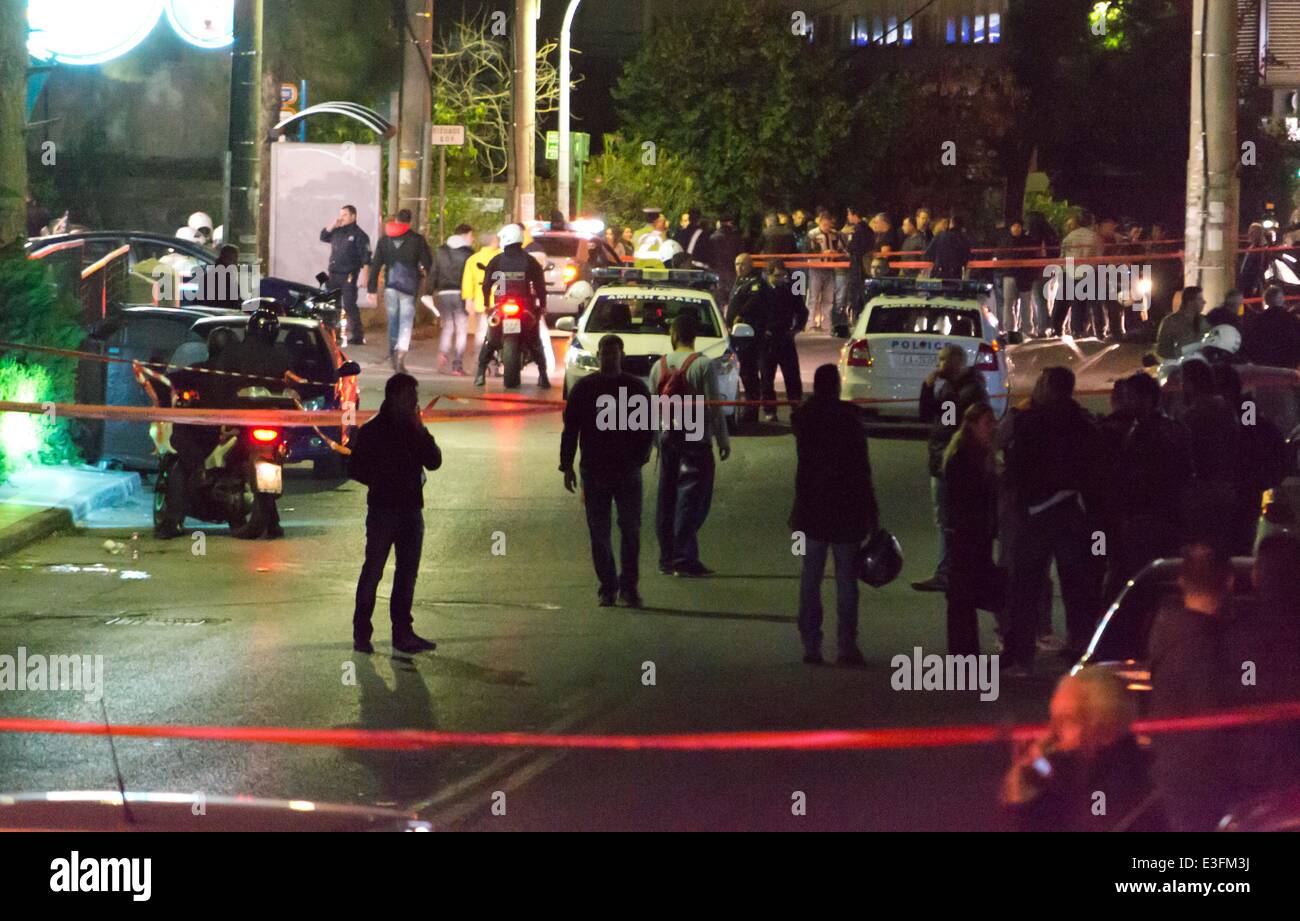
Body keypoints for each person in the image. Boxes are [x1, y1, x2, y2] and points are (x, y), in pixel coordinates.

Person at [1002, 367, 1103, 672]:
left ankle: (1020, 651)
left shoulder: (1029, 422)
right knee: (1075, 583)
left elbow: (1014, 463)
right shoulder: (1084, 423)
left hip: (1036, 511)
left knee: (1026, 583)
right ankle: (1080, 644)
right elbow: (1095, 468)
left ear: (1047, 387)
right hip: (1072, 509)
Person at [347, 373, 443, 655]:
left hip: (412, 510)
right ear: (394, 398)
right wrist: (381, 479)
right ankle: (362, 633)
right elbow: (354, 468)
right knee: (373, 571)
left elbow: (434, 461)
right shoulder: (372, 431)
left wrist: (421, 429)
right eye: (409, 397)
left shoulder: (414, 429)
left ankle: (403, 632)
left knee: (407, 573)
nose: (414, 402)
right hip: (383, 511)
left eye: (415, 397)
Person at [791, 365, 879, 667]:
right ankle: (846, 645)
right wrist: (871, 512)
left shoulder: (804, 417)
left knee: (810, 577)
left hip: (812, 507)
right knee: (846, 579)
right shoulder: (850, 419)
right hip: (846, 507)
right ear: (838, 386)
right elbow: (862, 468)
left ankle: (811, 644)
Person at [1002, 670, 1163, 831]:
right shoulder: (1081, 771)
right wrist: (1029, 775)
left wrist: (1026, 800)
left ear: (1104, 728)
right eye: (1053, 719)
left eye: (1067, 720)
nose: (1052, 733)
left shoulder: (1116, 790)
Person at [560, 335, 654, 607]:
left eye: (614, 353)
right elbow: (571, 430)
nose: (609, 357)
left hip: (626, 471)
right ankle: (608, 587)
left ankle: (628, 587)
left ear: (621, 355)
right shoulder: (584, 389)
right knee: (599, 533)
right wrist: (566, 465)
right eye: (605, 353)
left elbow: (647, 428)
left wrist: (641, 456)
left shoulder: (635, 388)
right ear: (598, 355)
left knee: (631, 531)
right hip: (594, 470)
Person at [1149, 543, 1234, 831]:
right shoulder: (1207, 645)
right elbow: (1212, 722)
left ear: (1182, 581)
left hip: (1172, 773)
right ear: (1230, 581)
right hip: (1203, 783)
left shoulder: (1165, 632)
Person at [650, 313, 731, 577]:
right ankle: (683, 557)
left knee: (667, 497)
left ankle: (666, 557)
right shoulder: (703, 365)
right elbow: (714, 407)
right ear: (694, 336)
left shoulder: (658, 367)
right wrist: (722, 439)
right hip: (696, 439)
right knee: (693, 499)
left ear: (673, 335)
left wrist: (655, 441)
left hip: (668, 439)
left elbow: (652, 410)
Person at [1103, 373, 1193, 602]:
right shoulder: (1172, 428)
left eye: (1130, 397)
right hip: (1168, 517)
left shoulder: (1146, 433)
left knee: (1136, 583)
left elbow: (1138, 479)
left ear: (1145, 399)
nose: (1126, 403)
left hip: (1145, 518)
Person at [913, 345, 988, 593]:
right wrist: (927, 388)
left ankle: (949, 573)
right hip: (945, 459)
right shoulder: (951, 388)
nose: (939, 365)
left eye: (943, 360)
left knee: (949, 519)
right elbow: (927, 415)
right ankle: (955, 570)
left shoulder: (963, 390)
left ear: (956, 362)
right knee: (948, 518)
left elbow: (947, 423)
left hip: (951, 461)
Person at [155, 327, 241, 539]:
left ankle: (172, 521)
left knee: (181, 466)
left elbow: (167, 384)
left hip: (205, 436)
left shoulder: (197, 371)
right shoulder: (243, 375)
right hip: (236, 433)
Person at [942, 402, 1000, 656]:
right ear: (974, 425)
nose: (993, 427)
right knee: (963, 593)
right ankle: (963, 651)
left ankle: (966, 649)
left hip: (975, 533)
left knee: (965, 593)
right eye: (988, 422)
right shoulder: (965, 458)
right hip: (967, 534)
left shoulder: (978, 454)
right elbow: (965, 500)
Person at [475, 223, 550, 388]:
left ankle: (480, 373)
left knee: (491, 339)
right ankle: (543, 375)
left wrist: (487, 304)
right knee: (535, 340)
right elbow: (540, 286)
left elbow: (486, 285)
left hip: (500, 307)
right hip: (526, 308)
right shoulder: (530, 261)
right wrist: (542, 306)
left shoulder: (497, 260)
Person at [366, 209, 433, 373]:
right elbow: (429, 264)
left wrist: (371, 289)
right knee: (406, 323)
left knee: (393, 322)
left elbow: (376, 266)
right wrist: (430, 286)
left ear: (396, 220)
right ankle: (400, 356)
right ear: (409, 222)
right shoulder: (417, 240)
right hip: (409, 288)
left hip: (390, 286)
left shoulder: (385, 240)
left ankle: (392, 354)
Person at [754, 260, 808, 422]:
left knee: (792, 376)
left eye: (783, 275)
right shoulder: (761, 290)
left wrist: (796, 329)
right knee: (766, 377)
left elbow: (802, 311)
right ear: (768, 275)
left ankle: (795, 406)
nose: (781, 278)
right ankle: (770, 410)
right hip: (768, 340)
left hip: (784, 337)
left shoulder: (790, 290)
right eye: (777, 275)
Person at [725, 254, 768, 425]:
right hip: (735, 336)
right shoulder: (740, 282)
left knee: (749, 375)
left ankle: (752, 413)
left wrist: (740, 314)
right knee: (742, 374)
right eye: (736, 264)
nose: (739, 267)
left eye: (743, 264)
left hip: (748, 337)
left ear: (751, 265)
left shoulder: (755, 283)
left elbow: (754, 301)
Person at [320, 204, 372, 344]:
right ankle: (332, 334)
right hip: (334, 274)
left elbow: (366, 257)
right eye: (340, 214)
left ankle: (357, 335)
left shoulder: (360, 235)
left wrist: (364, 275)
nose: (341, 217)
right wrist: (333, 225)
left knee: (349, 304)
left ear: (353, 216)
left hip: (349, 274)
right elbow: (323, 236)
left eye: (345, 215)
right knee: (332, 305)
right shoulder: (337, 231)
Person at [432, 224, 474, 375]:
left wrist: (429, 291)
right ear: (464, 236)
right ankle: (457, 365)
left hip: (443, 293)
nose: (472, 239)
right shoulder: (468, 253)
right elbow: (472, 276)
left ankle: (442, 353)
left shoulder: (441, 250)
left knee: (448, 326)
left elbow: (434, 271)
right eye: (471, 236)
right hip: (460, 294)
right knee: (462, 329)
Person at [1052, 213, 1104, 336]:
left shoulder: (1069, 237)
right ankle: (1100, 330)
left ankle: (1075, 329)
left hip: (1071, 271)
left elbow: (1063, 255)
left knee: (1075, 302)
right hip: (1090, 271)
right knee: (1095, 303)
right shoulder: (1095, 237)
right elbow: (1100, 255)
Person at [804, 210, 848, 332]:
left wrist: (836, 253)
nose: (826, 226)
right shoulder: (812, 234)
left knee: (829, 298)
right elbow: (807, 251)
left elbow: (843, 249)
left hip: (830, 268)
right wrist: (822, 253)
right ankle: (811, 323)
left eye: (828, 224)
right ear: (820, 221)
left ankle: (826, 324)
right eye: (824, 223)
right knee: (813, 297)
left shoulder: (835, 235)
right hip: (815, 268)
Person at [1242, 284, 1300, 369]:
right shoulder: (1292, 319)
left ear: (1266, 300)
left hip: (1264, 366)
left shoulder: (1257, 320)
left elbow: (1249, 342)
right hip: (1288, 365)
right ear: (1281, 299)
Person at [463, 232, 501, 357]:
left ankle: (480, 359)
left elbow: (468, 282)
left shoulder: (473, 259)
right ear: (493, 242)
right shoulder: (502, 256)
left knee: (481, 330)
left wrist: (469, 300)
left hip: (481, 301)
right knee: (501, 331)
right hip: (501, 300)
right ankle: (500, 361)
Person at [1154, 285, 1209, 360]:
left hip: (1202, 365)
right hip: (1180, 366)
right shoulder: (1171, 322)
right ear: (1190, 302)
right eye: (1200, 299)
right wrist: (1179, 354)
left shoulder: (1205, 321)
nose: (1204, 302)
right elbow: (1162, 350)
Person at [924, 214, 972, 280]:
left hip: (940, 272)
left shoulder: (941, 236)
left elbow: (928, 254)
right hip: (956, 273)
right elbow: (967, 255)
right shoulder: (964, 238)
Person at [708, 214, 745, 298]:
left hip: (717, 272)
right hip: (732, 272)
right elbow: (741, 255)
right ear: (730, 223)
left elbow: (709, 256)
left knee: (719, 297)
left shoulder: (713, 237)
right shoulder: (737, 238)